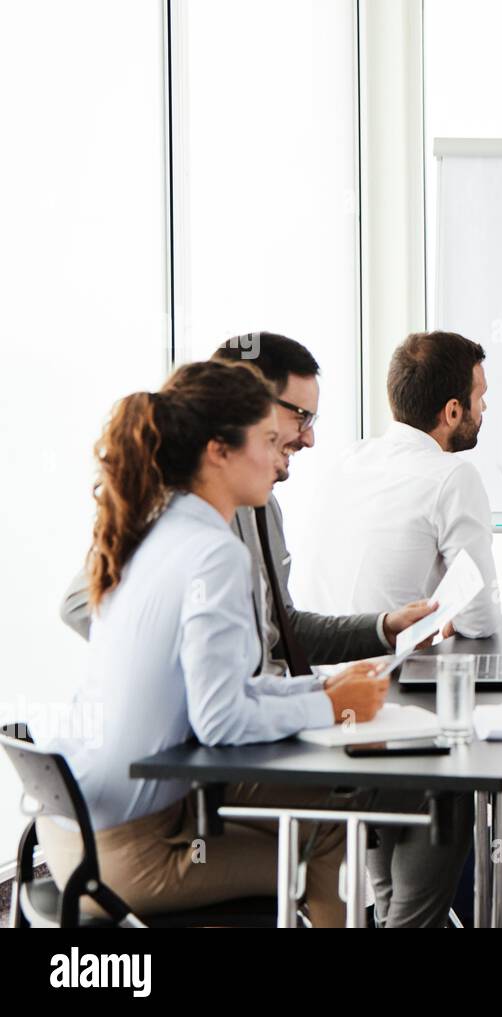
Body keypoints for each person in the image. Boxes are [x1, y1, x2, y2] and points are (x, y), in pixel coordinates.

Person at [35, 361, 391, 927]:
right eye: (270, 441)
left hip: (70, 833)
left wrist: (322, 687)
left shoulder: (152, 527)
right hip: (129, 854)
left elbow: (225, 690)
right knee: (325, 837)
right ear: (218, 451)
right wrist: (331, 705)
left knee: (307, 814)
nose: (281, 457)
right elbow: (221, 720)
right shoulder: (215, 552)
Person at [60, 332, 439, 672]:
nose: (309, 439)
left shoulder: (262, 503)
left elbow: (278, 629)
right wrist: (204, 660)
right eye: (302, 416)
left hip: (270, 709)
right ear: (245, 402)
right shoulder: (172, 508)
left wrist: (382, 628)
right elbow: (80, 606)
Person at [296, 331, 501, 927]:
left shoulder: (347, 463)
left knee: (388, 890)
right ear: (452, 411)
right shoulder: (450, 476)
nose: (486, 409)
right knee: (464, 772)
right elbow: (484, 618)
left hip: (323, 710)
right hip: (390, 716)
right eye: (481, 397)